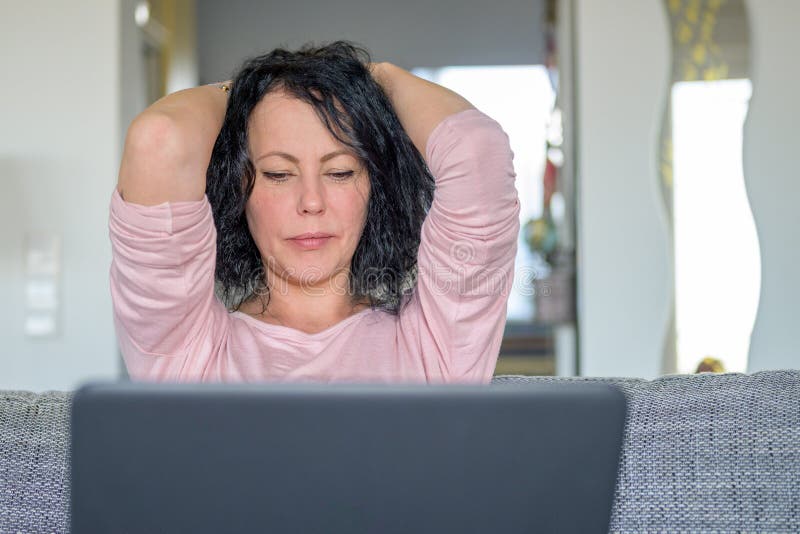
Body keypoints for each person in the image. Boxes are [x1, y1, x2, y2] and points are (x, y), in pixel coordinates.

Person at [110, 41, 520, 384]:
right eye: (278, 173)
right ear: (240, 190)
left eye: (340, 172)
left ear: (373, 188)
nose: (311, 201)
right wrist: (259, 88)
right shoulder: (188, 354)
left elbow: (476, 148)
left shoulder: (436, 347)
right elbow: (159, 140)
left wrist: (375, 81)